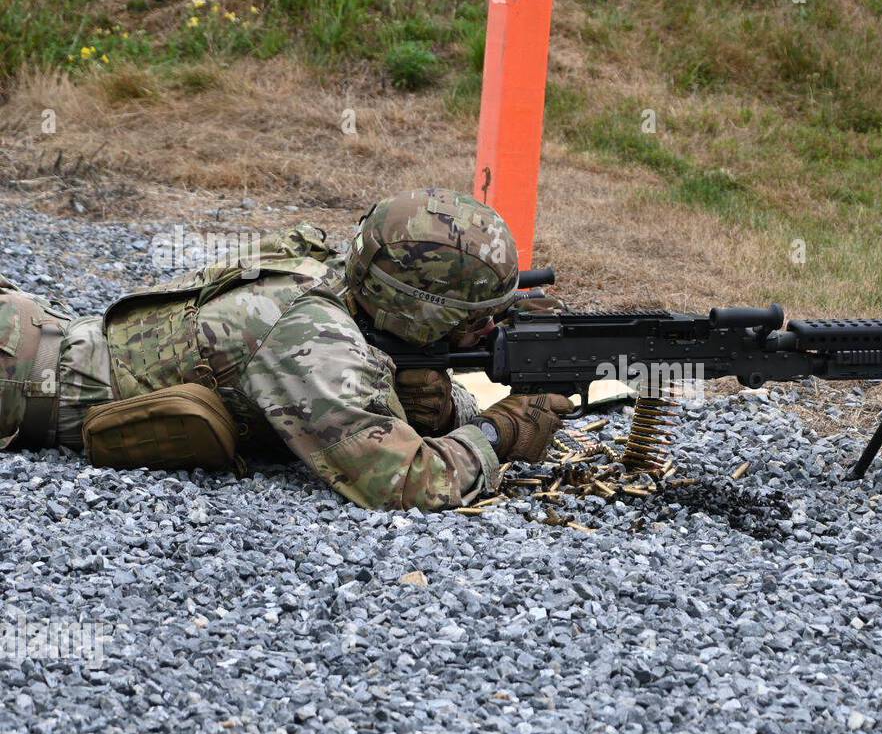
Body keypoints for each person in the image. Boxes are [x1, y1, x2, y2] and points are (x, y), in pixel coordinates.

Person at [0, 188, 572, 510]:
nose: (488, 332)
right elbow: (408, 482)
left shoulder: (342, 277)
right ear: (418, 312)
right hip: (17, 380)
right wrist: (502, 432)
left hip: (34, 333)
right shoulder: (313, 339)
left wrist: (440, 408)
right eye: (475, 322)